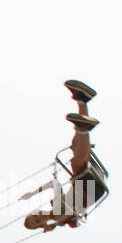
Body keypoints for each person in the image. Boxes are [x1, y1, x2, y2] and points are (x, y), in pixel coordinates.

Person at [23, 81, 102, 232]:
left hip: (87, 182)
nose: (39, 216)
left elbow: (54, 183)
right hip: (89, 190)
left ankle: (82, 100)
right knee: (75, 163)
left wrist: (33, 194)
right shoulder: (59, 218)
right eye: (38, 220)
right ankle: (84, 127)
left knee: (76, 143)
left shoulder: (56, 204)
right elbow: (71, 216)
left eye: (35, 215)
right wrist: (54, 224)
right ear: (42, 225)